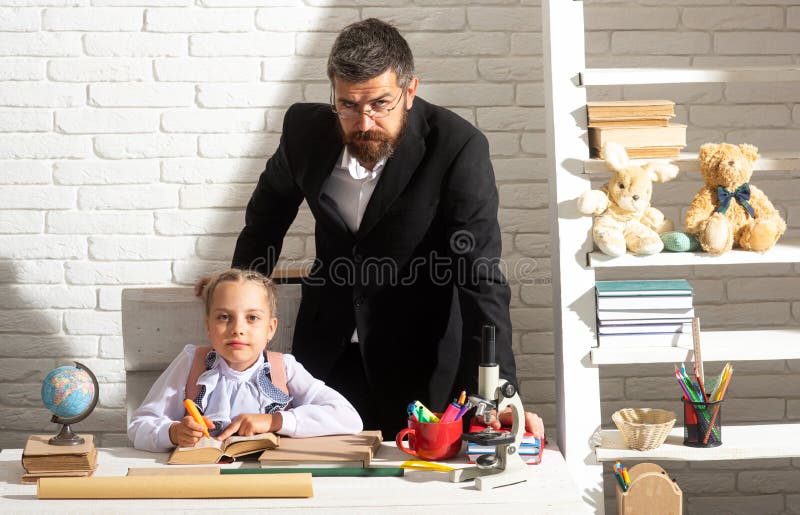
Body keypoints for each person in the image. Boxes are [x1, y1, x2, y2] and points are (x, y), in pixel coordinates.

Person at [196, 18, 544, 439]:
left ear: (410, 91)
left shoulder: (458, 148)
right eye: (348, 105)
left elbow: (480, 277)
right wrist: (238, 284)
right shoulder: (304, 133)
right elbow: (268, 213)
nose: (363, 122)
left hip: (421, 360)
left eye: (380, 104)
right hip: (325, 353)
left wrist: (500, 391)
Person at [129, 269, 362, 452]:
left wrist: (274, 421)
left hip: (272, 483)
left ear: (270, 329)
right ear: (208, 325)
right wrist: (172, 432)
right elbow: (139, 425)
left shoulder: (284, 368)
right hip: (202, 481)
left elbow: (349, 418)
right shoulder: (191, 362)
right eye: (223, 317)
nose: (237, 329)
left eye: (252, 318)